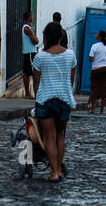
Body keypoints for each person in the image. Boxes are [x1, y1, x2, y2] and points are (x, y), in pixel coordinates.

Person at [32, 20, 76, 181]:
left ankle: (54, 173)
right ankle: (60, 169)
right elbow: (71, 79)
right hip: (64, 100)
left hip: (46, 99)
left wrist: (37, 98)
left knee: (49, 137)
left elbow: (36, 82)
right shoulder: (70, 55)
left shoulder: (40, 57)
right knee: (60, 136)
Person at [88, 28, 106, 114]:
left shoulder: (94, 46)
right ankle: (102, 110)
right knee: (103, 89)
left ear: (99, 37)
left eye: (97, 34)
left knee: (94, 89)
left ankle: (93, 109)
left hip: (96, 70)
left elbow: (90, 59)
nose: (96, 34)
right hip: (105, 70)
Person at [21, 11, 39, 98]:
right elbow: (35, 41)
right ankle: (35, 94)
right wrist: (36, 38)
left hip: (27, 53)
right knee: (34, 73)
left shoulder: (25, 28)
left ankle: (27, 94)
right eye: (31, 16)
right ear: (28, 18)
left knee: (26, 73)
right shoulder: (27, 28)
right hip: (30, 53)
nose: (32, 17)